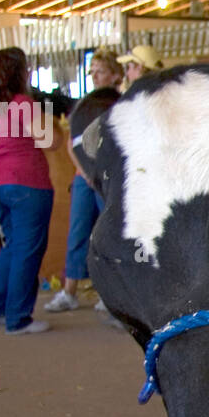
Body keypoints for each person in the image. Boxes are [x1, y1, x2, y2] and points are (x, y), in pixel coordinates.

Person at [0, 47, 61, 335]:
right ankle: (18, 318)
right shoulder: (23, 104)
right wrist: (52, 123)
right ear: (20, 73)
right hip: (27, 183)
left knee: (13, 245)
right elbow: (49, 140)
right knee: (28, 251)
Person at [44, 52, 122, 314]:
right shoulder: (84, 106)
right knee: (77, 233)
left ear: (114, 75)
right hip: (85, 180)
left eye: (100, 71)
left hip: (108, 180)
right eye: (93, 71)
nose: (95, 76)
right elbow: (71, 143)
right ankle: (69, 290)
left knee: (109, 236)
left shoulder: (120, 104)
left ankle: (108, 293)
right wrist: (85, 172)